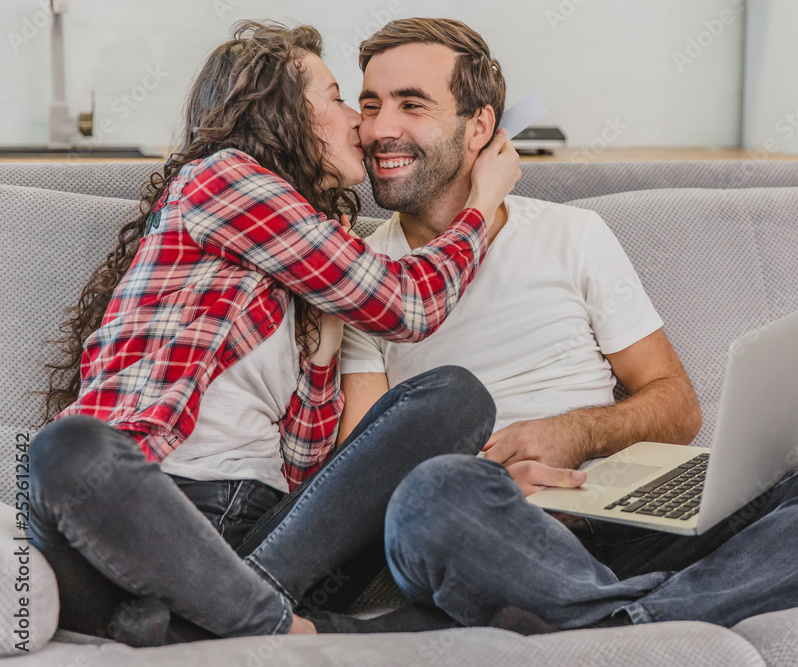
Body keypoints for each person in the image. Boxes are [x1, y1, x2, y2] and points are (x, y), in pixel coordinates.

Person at [339, 17, 798, 632]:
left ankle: (629, 614)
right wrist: (488, 474)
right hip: (501, 528)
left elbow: (676, 406)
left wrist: (576, 432)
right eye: (369, 105)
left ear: (479, 127)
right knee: (434, 503)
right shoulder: (364, 277)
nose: (379, 129)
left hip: (627, 519)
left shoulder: (572, 234)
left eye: (410, 104)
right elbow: (362, 467)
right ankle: (668, 605)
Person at [27, 20, 520, 646]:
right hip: (141, 514)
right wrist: (483, 201)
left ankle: (198, 624)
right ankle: (271, 627)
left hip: (259, 535)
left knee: (457, 398)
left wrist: (327, 342)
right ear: (282, 114)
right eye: (340, 98)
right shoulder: (222, 180)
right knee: (66, 450)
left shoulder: (317, 260)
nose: (361, 125)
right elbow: (407, 306)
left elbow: (306, 471)